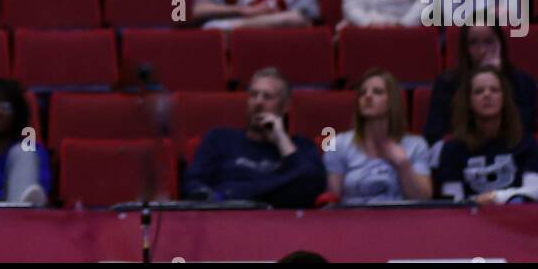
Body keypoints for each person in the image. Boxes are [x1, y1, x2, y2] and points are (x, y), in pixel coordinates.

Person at [183, 68, 327, 208]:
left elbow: (313, 182)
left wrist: (281, 138)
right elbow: (193, 184)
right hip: (227, 218)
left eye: (267, 97)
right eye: (253, 95)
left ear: (285, 107)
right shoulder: (219, 139)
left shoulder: (301, 147)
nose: (258, 102)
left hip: (279, 223)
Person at [433, 66, 538, 203]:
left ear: (504, 98)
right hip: (470, 221)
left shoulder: (527, 143)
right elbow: (453, 201)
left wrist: (495, 198)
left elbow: (534, 192)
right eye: (479, 91)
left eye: (494, 90)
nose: (487, 95)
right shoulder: (452, 149)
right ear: (468, 101)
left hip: (517, 218)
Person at [324, 69, 433, 203]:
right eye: (362, 93)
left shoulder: (416, 145)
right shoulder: (337, 144)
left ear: (392, 101)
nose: (368, 96)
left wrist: (404, 166)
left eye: (378, 92)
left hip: (401, 220)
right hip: (354, 220)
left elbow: (424, 199)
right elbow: (331, 203)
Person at [424, 24, 538, 144]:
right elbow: (434, 133)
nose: (482, 51)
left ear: (501, 44)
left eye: (489, 42)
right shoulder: (447, 83)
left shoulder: (522, 82)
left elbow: (526, 128)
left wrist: (498, 79)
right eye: (473, 43)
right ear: (465, 48)